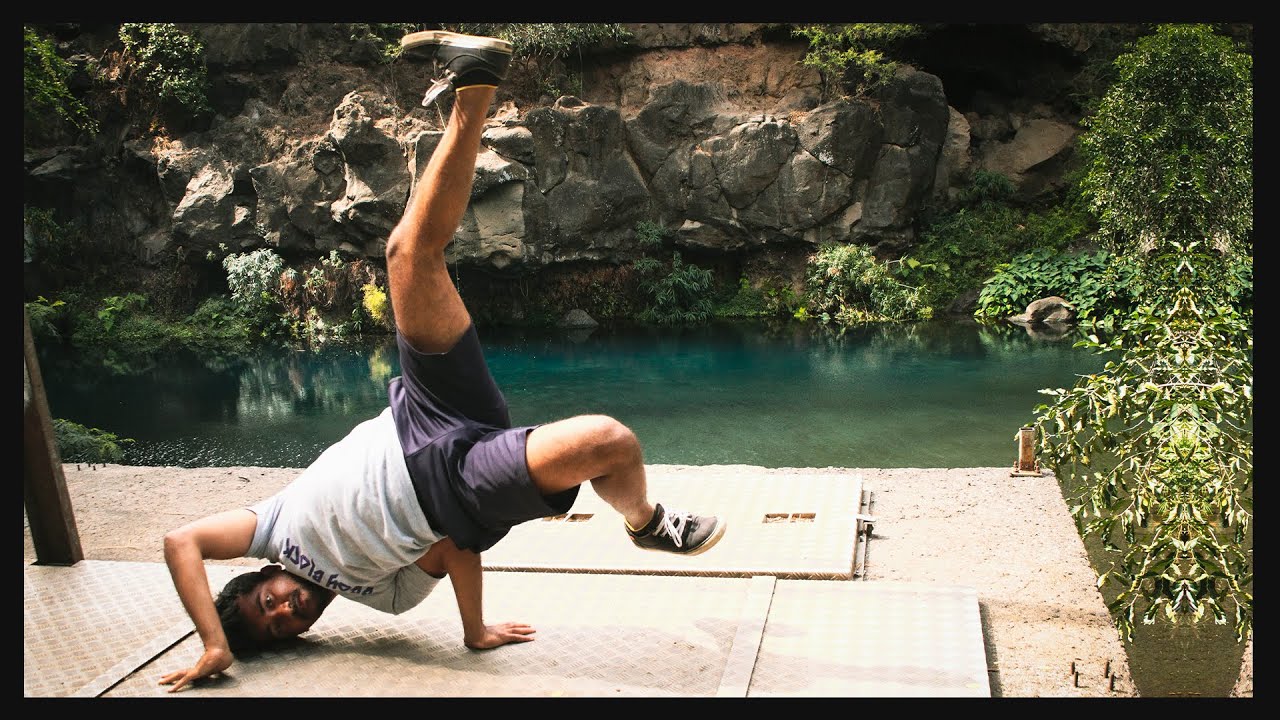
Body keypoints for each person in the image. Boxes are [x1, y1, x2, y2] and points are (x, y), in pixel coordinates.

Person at [158, 30, 725, 694]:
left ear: (261, 579)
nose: (285, 611)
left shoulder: (273, 530)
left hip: (424, 407)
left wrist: (214, 643)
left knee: (406, 254)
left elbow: (180, 544)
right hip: (459, 481)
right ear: (304, 634)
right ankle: (646, 523)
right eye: (283, 627)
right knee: (611, 441)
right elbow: (455, 547)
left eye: (267, 604)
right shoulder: (386, 598)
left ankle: (473, 85)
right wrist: (474, 630)